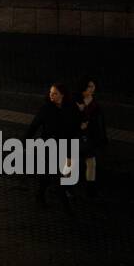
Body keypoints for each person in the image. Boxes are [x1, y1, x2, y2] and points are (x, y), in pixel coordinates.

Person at [27, 83, 77, 213]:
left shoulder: (69, 109)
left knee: (49, 174)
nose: (51, 95)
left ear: (62, 95)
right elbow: (34, 126)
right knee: (56, 175)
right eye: (50, 92)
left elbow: (73, 129)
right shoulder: (46, 109)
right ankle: (66, 207)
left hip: (63, 146)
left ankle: (40, 195)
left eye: (54, 93)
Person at [75, 76, 108, 197]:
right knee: (70, 162)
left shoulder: (95, 104)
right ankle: (65, 187)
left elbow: (99, 122)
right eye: (89, 86)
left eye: (93, 86)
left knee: (91, 162)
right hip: (75, 136)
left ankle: (90, 189)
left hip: (89, 137)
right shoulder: (76, 101)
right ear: (83, 87)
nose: (92, 88)